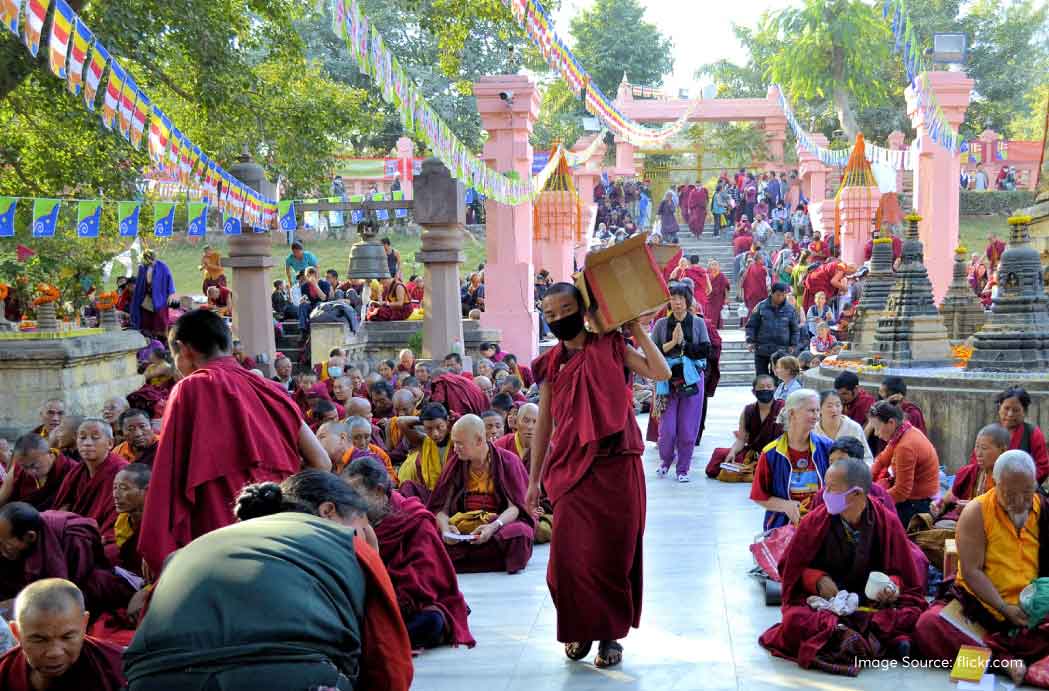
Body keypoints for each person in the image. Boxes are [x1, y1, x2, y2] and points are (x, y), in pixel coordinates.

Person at [124, 471, 413, 690]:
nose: (367, 536)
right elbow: (390, 666)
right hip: (290, 677)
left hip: (153, 680)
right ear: (328, 512)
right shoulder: (345, 544)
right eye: (363, 525)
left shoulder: (190, 550)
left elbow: (147, 623)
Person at [528, 282, 670, 668]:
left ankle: (610, 636)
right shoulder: (553, 364)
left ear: (583, 308)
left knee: (614, 555)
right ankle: (580, 626)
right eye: (551, 314)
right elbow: (544, 423)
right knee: (570, 560)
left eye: (566, 309)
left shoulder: (611, 345)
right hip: (572, 470)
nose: (559, 318)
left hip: (617, 465)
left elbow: (661, 371)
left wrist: (634, 327)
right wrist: (532, 479)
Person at [138, 309, 331, 576]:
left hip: (222, 532)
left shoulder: (190, 389)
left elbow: (166, 479)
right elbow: (322, 462)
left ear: (184, 350)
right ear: (228, 344)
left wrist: (156, 545)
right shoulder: (273, 390)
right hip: (282, 531)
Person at [759, 458, 926, 676]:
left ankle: (846, 635)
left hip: (872, 603)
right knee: (794, 621)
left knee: (914, 616)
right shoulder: (814, 521)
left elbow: (904, 573)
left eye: (832, 488)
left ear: (857, 494)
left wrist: (891, 587)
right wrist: (817, 580)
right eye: (825, 486)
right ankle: (875, 639)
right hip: (826, 602)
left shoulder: (887, 522)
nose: (825, 493)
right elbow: (791, 569)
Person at [913, 451, 1047, 686]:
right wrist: (1005, 608)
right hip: (984, 609)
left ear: (1034, 485)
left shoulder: (1043, 508)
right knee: (929, 626)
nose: (1019, 502)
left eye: (1026, 493)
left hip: (1033, 610)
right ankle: (1001, 661)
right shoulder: (977, 511)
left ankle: (988, 657)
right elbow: (972, 571)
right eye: (1010, 494)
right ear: (995, 484)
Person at [343, 456, 474, 649]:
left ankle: (376, 643)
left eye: (355, 495)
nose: (349, 504)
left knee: (432, 621)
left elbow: (426, 578)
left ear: (379, 492)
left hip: (403, 603)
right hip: (367, 601)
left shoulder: (415, 519)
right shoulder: (350, 520)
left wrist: (383, 590)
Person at [428, 415, 533, 574]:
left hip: (496, 523)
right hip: (463, 525)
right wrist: (445, 530)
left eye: (459, 444)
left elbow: (515, 508)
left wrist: (492, 527)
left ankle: (456, 561)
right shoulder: (456, 463)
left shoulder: (508, 461)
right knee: (427, 536)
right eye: (454, 443)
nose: (455, 448)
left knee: (520, 534)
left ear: (478, 440)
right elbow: (441, 509)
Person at [0, 503, 132, 612]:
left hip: (79, 587)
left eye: (5, 545)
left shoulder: (72, 535)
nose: (2, 550)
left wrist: (24, 603)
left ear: (30, 537)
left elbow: (73, 585)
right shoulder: (17, 540)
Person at [0, 579, 126, 690]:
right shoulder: (4, 672)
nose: (54, 652)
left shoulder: (119, 666)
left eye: (67, 637)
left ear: (84, 624)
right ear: (16, 632)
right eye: (39, 639)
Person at [652, 283, 711, 482]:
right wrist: (671, 344)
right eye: (673, 298)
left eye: (680, 298)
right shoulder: (661, 325)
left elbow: (705, 351)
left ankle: (683, 469)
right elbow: (654, 352)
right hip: (667, 380)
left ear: (687, 301)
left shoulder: (697, 323)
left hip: (691, 379)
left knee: (687, 429)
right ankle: (665, 461)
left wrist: (684, 344)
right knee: (667, 430)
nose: (676, 302)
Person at [751, 389, 833, 530]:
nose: (816, 416)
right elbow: (759, 495)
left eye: (817, 411)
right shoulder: (771, 453)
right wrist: (785, 505)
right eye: (811, 411)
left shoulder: (827, 447)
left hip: (821, 523)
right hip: (783, 527)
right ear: (792, 413)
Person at [51, 419, 127, 546]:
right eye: (82, 437)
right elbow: (62, 507)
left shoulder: (121, 472)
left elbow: (118, 520)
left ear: (110, 443)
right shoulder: (77, 472)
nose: (87, 443)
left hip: (105, 538)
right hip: (77, 533)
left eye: (95, 437)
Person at [868, 401, 940, 529]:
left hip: (918, 503)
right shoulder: (903, 432)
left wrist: (873, 500)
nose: (876, 433)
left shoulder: (905, 446)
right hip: (911, 497)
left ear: (891, 423)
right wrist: (865, 481)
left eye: (877, 428)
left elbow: (901, 492)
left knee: (874, 522)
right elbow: (881, 461)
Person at [706, 375, 784, 481]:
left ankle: (759, 470)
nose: (765, 389)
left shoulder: (783, 408)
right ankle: (754, 470)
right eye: (761, 387)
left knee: (774, 467)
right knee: (718, 457)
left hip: (777, 453)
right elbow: (741, 439)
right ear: (754, 391)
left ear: (775, 389)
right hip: (754, 453)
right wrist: (732, 452)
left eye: (769, 386)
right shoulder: (749, 410)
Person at [932, 423, 1010, 527]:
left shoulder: (1008, 477)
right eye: (977, 447)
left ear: (1002, 450)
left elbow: (1005, 511)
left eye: (984, 448)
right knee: (940, 525)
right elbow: (950, 495)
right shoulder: (972, 471)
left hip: (994, 525)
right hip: (969, 520)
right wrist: (939, 503)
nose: (978, 453)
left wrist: (971, 508)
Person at [968, 387, 1049, 483]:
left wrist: (1020, 483)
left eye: (1016, 410)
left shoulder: (1033, 433)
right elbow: (975, 462)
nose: (1010, 414)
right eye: (1006, 408)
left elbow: (1043, 467)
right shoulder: (988, 433)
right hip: (988, 485)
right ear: (999, 408)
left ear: (1025, 412)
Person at [0, 435, 78, 511]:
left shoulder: (72, 470)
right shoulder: (18, 468)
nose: (30, 472)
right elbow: (2, 497)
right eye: (25, 467)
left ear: (50, 454)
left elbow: (67, 509)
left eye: (34, 466)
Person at [745, 282, 799, 376]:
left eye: (783, 295)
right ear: (772, 293)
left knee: (779, 377)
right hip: (762, 348)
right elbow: (751, 326)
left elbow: (795, 329)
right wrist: (750, 341)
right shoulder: (761, 307)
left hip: (781, 350)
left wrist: (793, 344)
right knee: (762, 377)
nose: (781, 298)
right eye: (778, 295)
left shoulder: (790, 309)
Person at [814, 391, 873, 465]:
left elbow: (867, 458)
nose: (834, 410)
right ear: (819, 409)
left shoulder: (854, 427)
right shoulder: (812, 429)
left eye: (838, 405)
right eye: (829, 406)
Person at [129, 250, 175, 339]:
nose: (148, 260)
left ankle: (163, 340)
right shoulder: (142, 268)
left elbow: (170, 280)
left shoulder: (162, 267)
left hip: (160, 297)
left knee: (161, 320)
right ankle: (149, 338)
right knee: (146, 319)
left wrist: (170, 294)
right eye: (146, 258)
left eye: (149, 258)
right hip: (147, 297)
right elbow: (140, 283)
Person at [706, 259, 730, 329]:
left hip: (719, 299)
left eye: (715, 264)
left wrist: (726, 298)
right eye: (712, 264)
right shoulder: (707, 275)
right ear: (709, 266)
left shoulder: (721, 275)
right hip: (709, 299)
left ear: (719, 266)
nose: (714, 266)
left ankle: (718, 327)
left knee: (718, 315)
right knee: (710, 315)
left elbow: (726, 287)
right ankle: (710, 328)